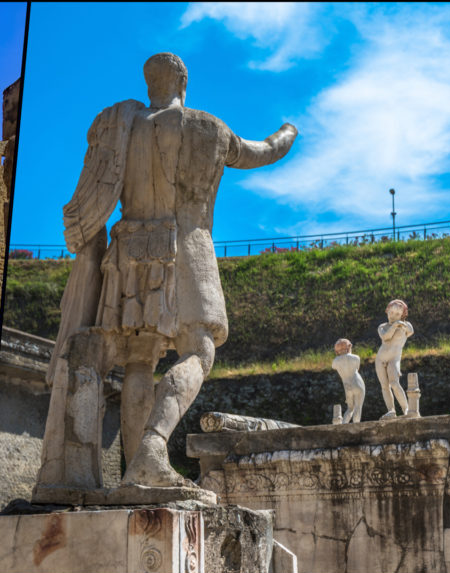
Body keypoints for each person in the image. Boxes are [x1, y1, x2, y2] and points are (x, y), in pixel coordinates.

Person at [35, 52, 298, 499]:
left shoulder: (122, 126)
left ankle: (138, 474)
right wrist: (290, 131)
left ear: (149, 82)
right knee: (199, 351)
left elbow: (94, 196)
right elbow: (265, 150)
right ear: (182, 81)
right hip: (186, 244)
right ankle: (153, 451)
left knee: (140, 361)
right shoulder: (207, 128)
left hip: (129, 247)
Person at [376, 299, 413, 419]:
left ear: (402, 315)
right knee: (384, 386)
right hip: (380, 359)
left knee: (394, 383)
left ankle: (406, 409)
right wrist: (394, 326)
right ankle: (391, 410)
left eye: (397, 314)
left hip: (394, 358)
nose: (393, 316)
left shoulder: (406, 326)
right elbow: (386, 337)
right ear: (387, 312)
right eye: (391, 313)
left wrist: (400, 324)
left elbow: (410, 332)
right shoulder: (382, 326)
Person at [332, 338, 365, 423]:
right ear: (349, 346)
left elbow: (334, 367)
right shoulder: (356, 357)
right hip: (357, 382)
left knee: (350, 408)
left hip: (347, 385)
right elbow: (357, 368)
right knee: (358, 406)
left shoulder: (335, 362)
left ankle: (344, 425)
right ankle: (356, 425)